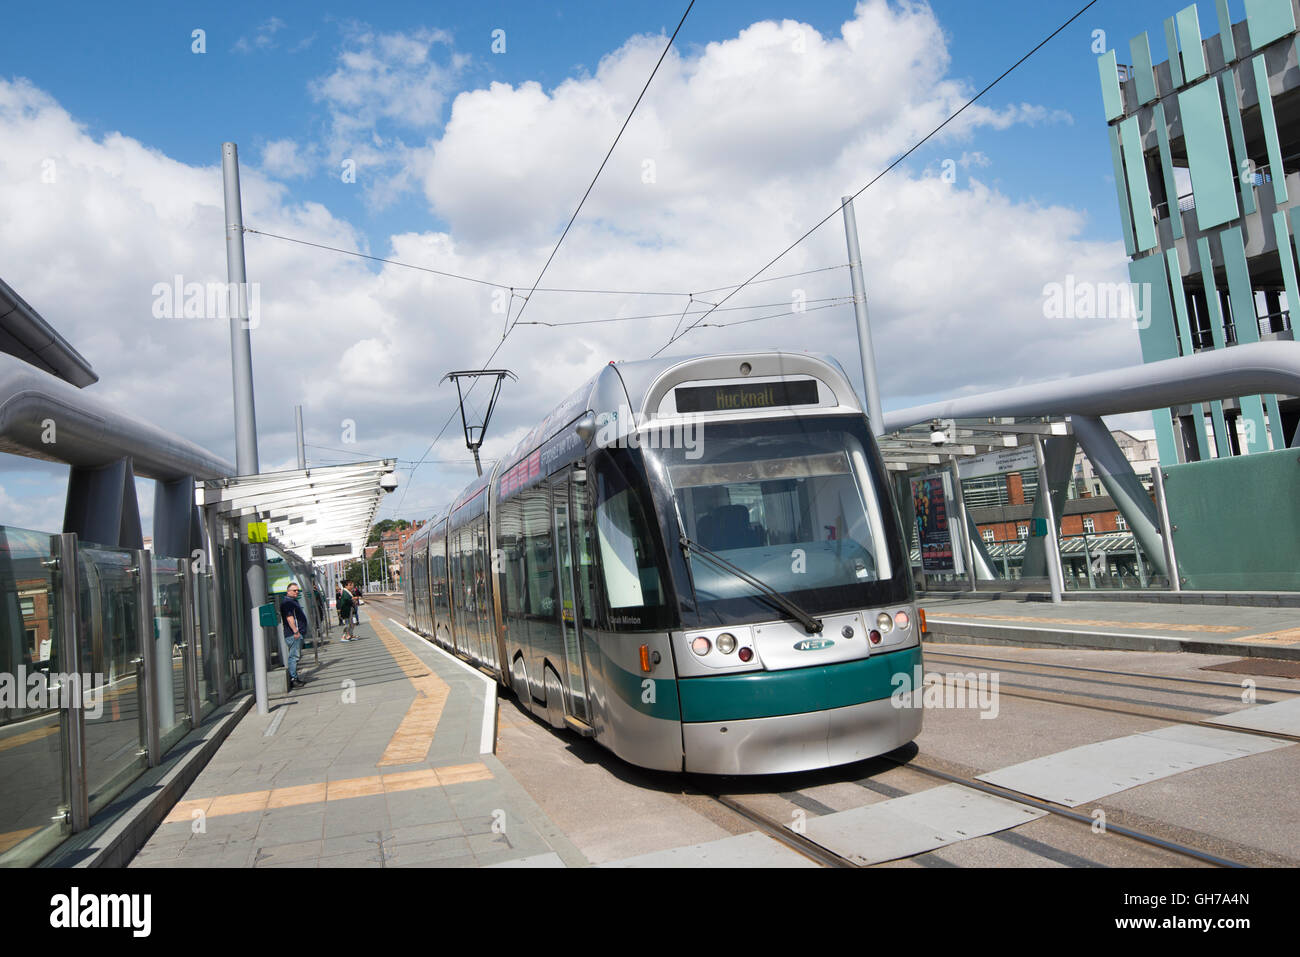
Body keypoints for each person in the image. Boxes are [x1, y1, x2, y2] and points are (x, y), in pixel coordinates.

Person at [280, 582, 310, 688]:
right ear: (288, 591)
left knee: (295, 656)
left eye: (298, 590)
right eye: (294, 590)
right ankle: (293, 679)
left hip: (296, 633)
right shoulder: (288, 603)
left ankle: (294, 677)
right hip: (294, 634)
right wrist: (295, 631)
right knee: (294, 656)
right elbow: (289, 618)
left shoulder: (292, 601)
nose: (297, 592)